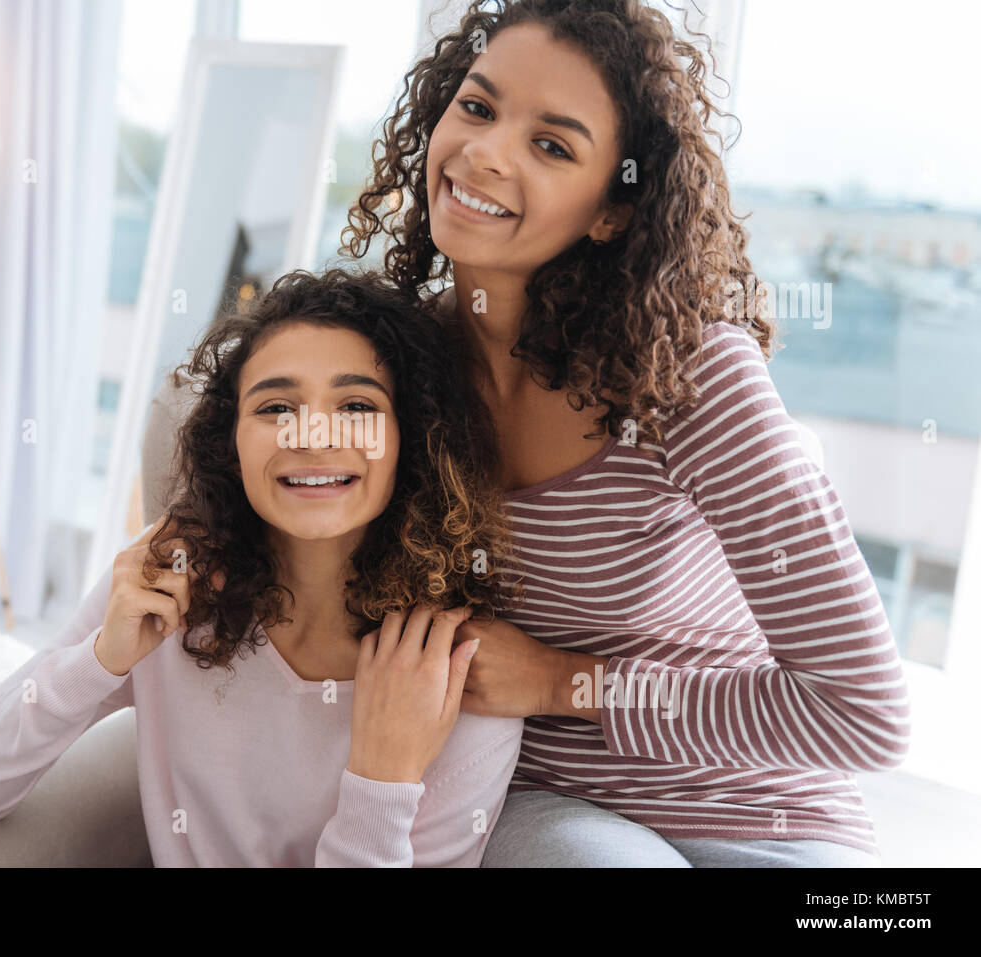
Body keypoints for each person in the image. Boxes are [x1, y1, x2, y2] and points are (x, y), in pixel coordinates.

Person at [335, 0, 910, 866]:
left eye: (553, 144)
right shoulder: (390, 371)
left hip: (771, 813)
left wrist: (561, 680)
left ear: (612, 210)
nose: (484, 153)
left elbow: (865, 713)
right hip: (556, 813)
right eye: (478, 107)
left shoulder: (688, 373)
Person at [0, 268, 526, 866]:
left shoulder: (457, 674)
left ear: (409, 437)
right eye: (275, 406)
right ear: (232, 442)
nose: (312, 437)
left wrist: (383, 778)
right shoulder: (171, 580)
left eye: (356, 405)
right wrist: (99, 660)